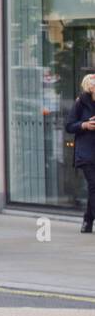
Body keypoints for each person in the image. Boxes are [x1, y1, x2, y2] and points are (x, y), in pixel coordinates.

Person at [65, 74, 95, 234]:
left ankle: (87, 221)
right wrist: (84, 125)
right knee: (94, 185)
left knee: (93, 188)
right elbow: (69, 126)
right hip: (86, 152)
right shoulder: (80, 103)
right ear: (89, 88)